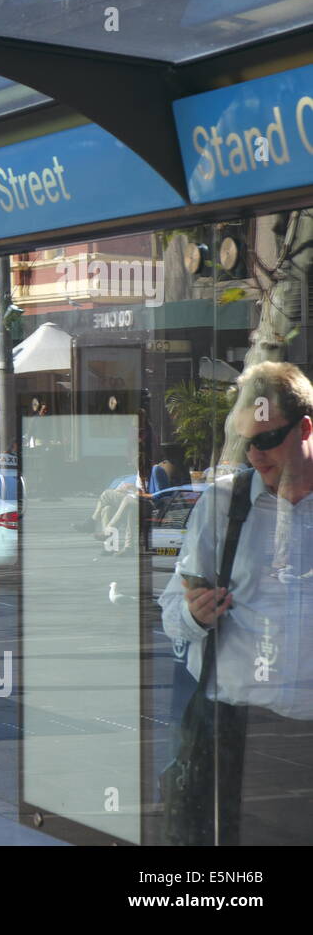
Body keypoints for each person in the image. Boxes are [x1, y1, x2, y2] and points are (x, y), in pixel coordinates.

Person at [159, 361, 313, 844]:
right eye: (247, 441)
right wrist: (193, 613)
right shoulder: (225, 505)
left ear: (306, 427)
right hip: (234, 727)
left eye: (267, 439)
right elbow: (171, 611)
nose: (255, 454)